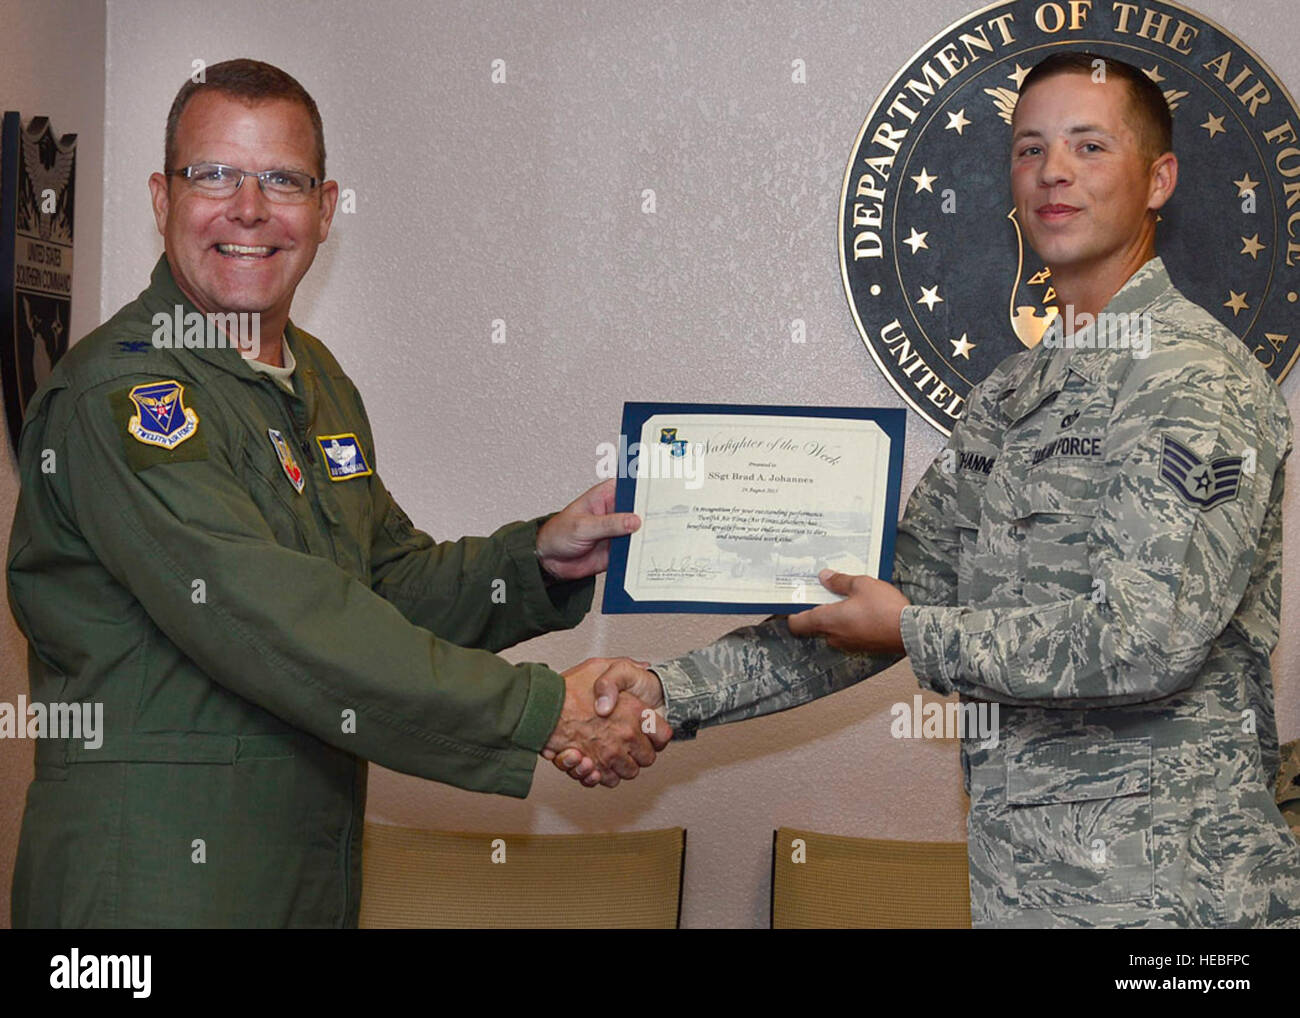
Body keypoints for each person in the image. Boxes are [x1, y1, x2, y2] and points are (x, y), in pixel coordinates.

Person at [551, 52, 1300, 928]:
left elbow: (1145, 639)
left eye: (1089, 146)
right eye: (1029, 149)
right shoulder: (1008, 398)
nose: (1053, 172)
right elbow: (877, 602)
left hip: (1179, 904)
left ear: (1158, 179)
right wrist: (665, 692)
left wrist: (910, 628)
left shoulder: (1192, 379)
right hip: (1029, 894)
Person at [5, 58, 666, 929]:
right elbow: (276, 617)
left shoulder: (315, 378)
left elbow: (381, 588)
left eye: (282, 180)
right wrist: (543, 711)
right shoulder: (122, 394)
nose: (249, 208)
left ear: (324, 210)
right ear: (164, 200)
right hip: (152, 889)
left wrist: (537, 558)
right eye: (214, 174)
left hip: (306, 877)